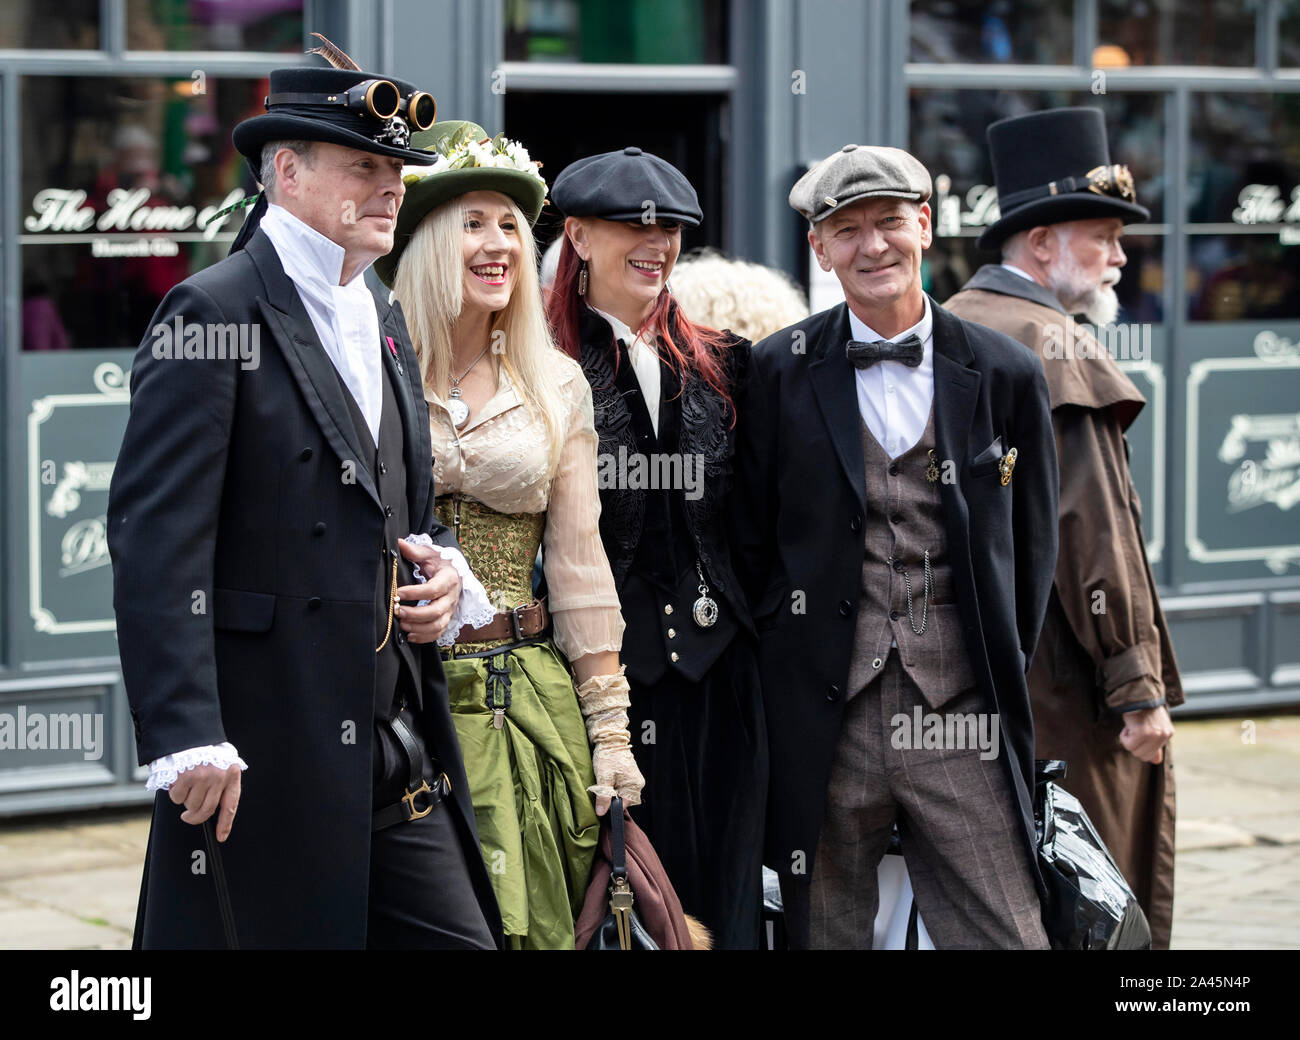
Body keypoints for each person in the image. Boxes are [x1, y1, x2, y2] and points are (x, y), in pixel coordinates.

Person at [107, 57, 501, 949]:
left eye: (395, 172)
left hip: (396, 750)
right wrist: (186, 732)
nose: (389, 189)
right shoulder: (211, 309)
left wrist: (442, 563)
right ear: (287, 172)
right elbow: (153, 541)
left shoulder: (385, 313)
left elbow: (396, 503)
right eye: (362, 166)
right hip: (264, 748)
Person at [732, 143, 1060, 949]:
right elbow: (750, 541)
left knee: (1010, 932)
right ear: (818, 247)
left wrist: (983, 669)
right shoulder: (778, 369)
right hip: (824, 717)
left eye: (887, 223)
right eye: (845, 230)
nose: (871, 246)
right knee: (825, 933)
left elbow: (1032, 552)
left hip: (958, 718)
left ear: (925, 223)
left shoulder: (1004, 371)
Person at [375, 121, 645, 950]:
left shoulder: (555, 380)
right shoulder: (367, 364)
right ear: (422, 240)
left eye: (510, 228)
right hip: (397, 690)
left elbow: (580, 565)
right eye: (473, 222)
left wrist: (610, 737)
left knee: (536, 919)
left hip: (521, 694)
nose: (499, 246)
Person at [944, 106, 1180, 949]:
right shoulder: (1054, 343)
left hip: (969, 681)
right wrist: (1137, 686)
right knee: (1098, 903)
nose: (1120, 255)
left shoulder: (950, 325)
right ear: (1040, 245)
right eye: (1102, 235)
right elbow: (1095, 533)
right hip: (1065, 685)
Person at [546, 147, 768, 949]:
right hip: (605, 687)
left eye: (671, 226)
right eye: (630, 225)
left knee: (729, 900)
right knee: (626, 904)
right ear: (576, 234)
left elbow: (758, 522)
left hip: (722, 683)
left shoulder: (729, 362)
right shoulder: (541, 363)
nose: (656, 241)